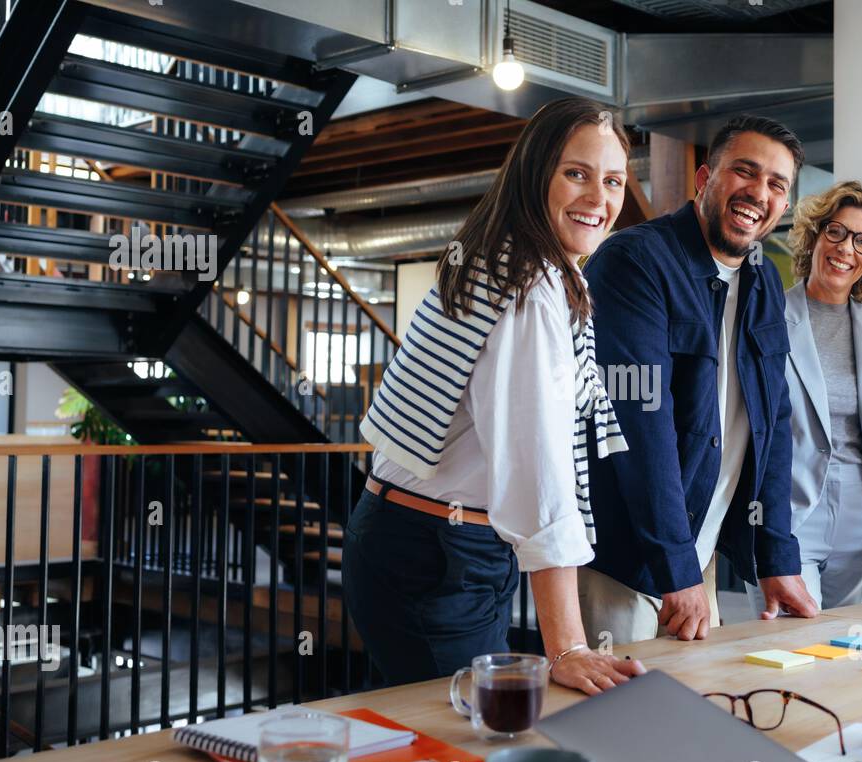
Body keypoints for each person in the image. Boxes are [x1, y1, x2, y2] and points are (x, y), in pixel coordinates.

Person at [344, 97, 645, 694]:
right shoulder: (529, 285)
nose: (599, 199)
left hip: (423, 539)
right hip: (437, 555)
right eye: (576, 173)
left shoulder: (509, 257)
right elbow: (539, 466)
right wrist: (569, 646)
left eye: (612, 181)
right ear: (536, 173)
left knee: (453, 737)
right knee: (474, 741)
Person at [579, 114, 819, 646]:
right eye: (745, 172)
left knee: (685, 711)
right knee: (612, 717)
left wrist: (777, 555)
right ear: (704, 178)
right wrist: (674, 566)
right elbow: (639, 424)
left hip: (696, 552)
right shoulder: (635, 262)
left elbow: (773, 423)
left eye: (777, 185)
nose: (758, 192)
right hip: (625, 559)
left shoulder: (763, 283)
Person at [748, 181, 862, 615]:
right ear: (816, 235)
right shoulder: (765, 316)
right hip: (786, 511)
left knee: (845, 647)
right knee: (789, 646)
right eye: (837, 232)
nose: (846, 249)